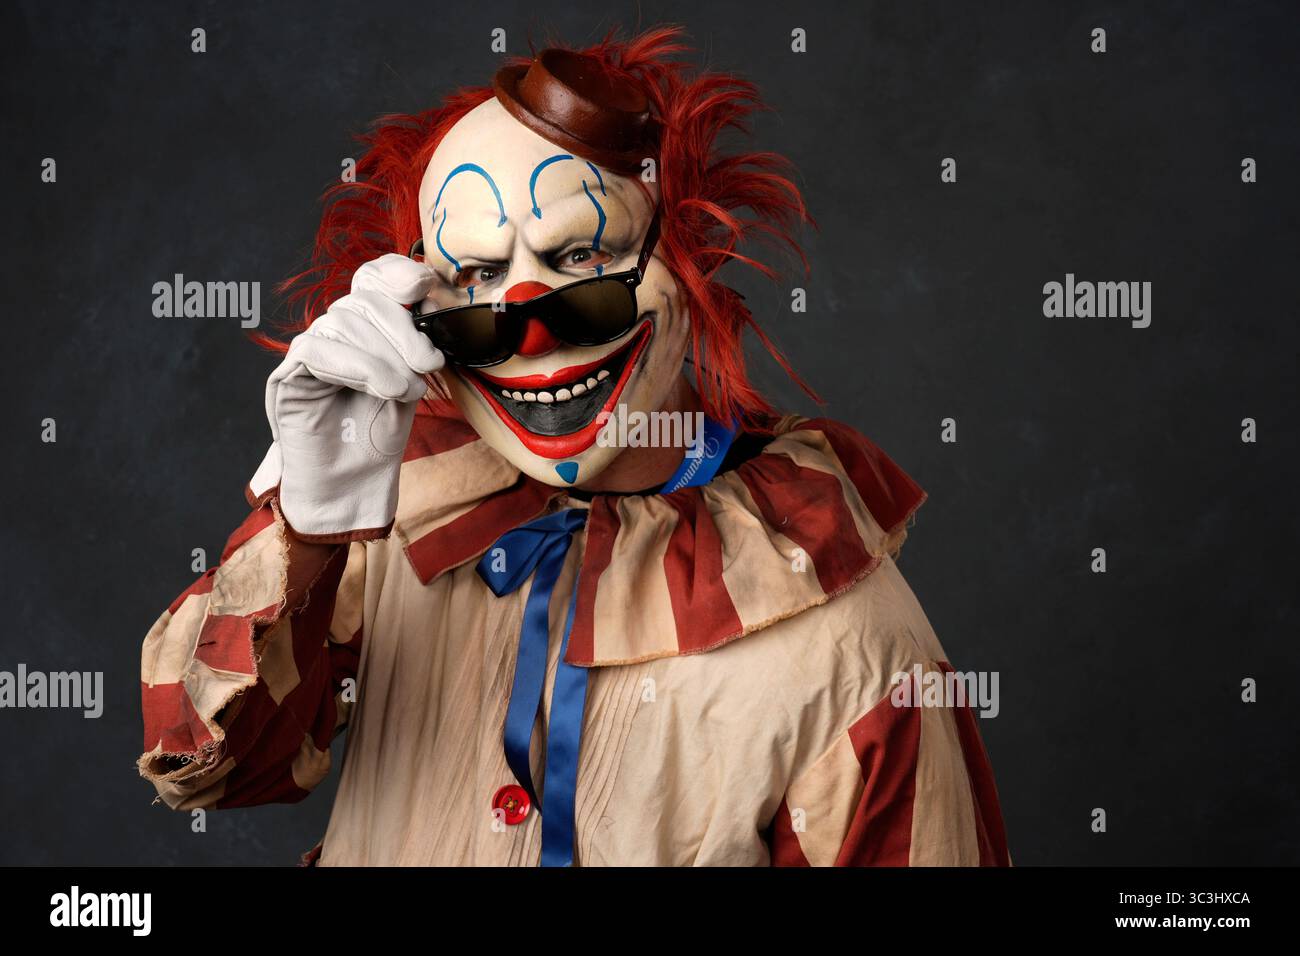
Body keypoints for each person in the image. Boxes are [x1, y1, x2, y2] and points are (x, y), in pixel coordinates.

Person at [136, 27, 1010, 867]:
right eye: (476, 279)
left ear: (687, 257)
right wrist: (309, 526)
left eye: (582, 255)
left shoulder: (854, 643)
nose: (529, 330)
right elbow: (219, 766)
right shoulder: (401, 524)